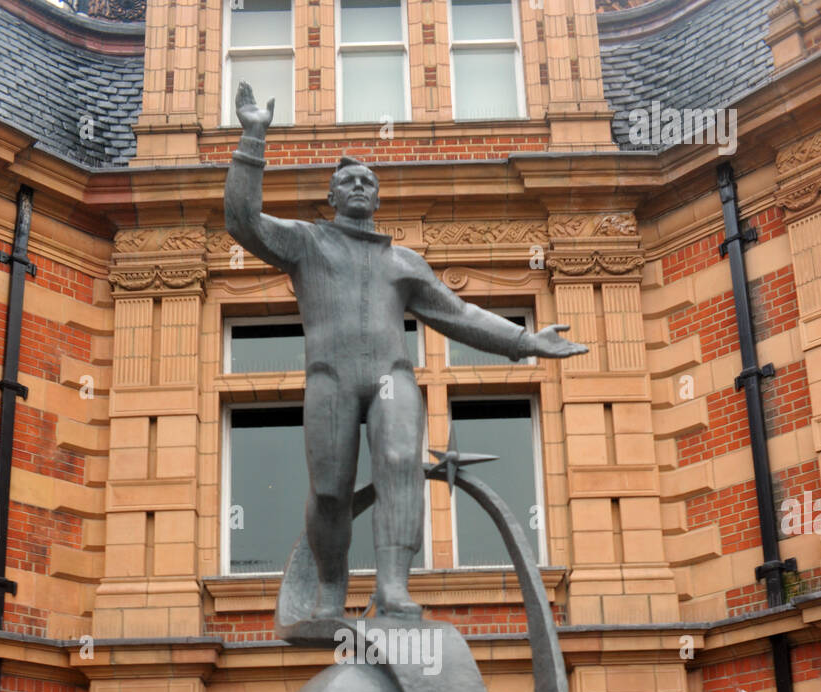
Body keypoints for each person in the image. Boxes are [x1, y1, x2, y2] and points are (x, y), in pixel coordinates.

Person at [225, 83, 588, 619]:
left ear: (376, 198)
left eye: (367, 182)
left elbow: (458, 314)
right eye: (347, 180)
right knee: (329, 492)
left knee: (398, 465)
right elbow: (243, 222)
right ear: (332, 196)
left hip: (392, 379)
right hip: (330, 380)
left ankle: (393, 588)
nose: (358, 186)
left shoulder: (404, 262)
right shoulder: (306, 243)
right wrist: (253, 140)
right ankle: (330, 590)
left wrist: (522, 340)